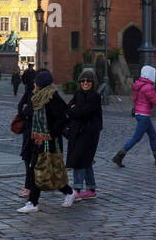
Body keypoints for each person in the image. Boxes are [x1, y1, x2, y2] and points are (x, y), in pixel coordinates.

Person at [17, 69, 76, 212]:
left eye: (37, 83)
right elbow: (26, 113)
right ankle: (34, 202)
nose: (34, 85)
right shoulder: (36, 97)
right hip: (36, 139)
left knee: (48, 170)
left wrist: (49, 134)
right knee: (37, 169)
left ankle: (66, 192)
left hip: (49, 141)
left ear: (41, 84)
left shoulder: (52, 98)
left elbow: (61, 118)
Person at [111, 65, 156, 167]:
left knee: (152, 135)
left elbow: (135, 99)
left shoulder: (139, 85)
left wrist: (137, 108)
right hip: (144, 115)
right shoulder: (148, 87)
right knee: (136, 138)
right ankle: (118, 157)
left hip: (139, 114)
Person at [66, 67, 103, 200]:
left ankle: (76, 189)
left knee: (79, 160)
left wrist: (75, 110)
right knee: (86, 160)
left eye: (88, 81)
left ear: (93, 82)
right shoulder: (78, 94)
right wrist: (74, 110)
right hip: (77, 132)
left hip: (90, 133)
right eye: (82, 80)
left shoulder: (95, 97)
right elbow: (68, 108)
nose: (85, 83)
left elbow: (84, 113)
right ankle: (91, 189)